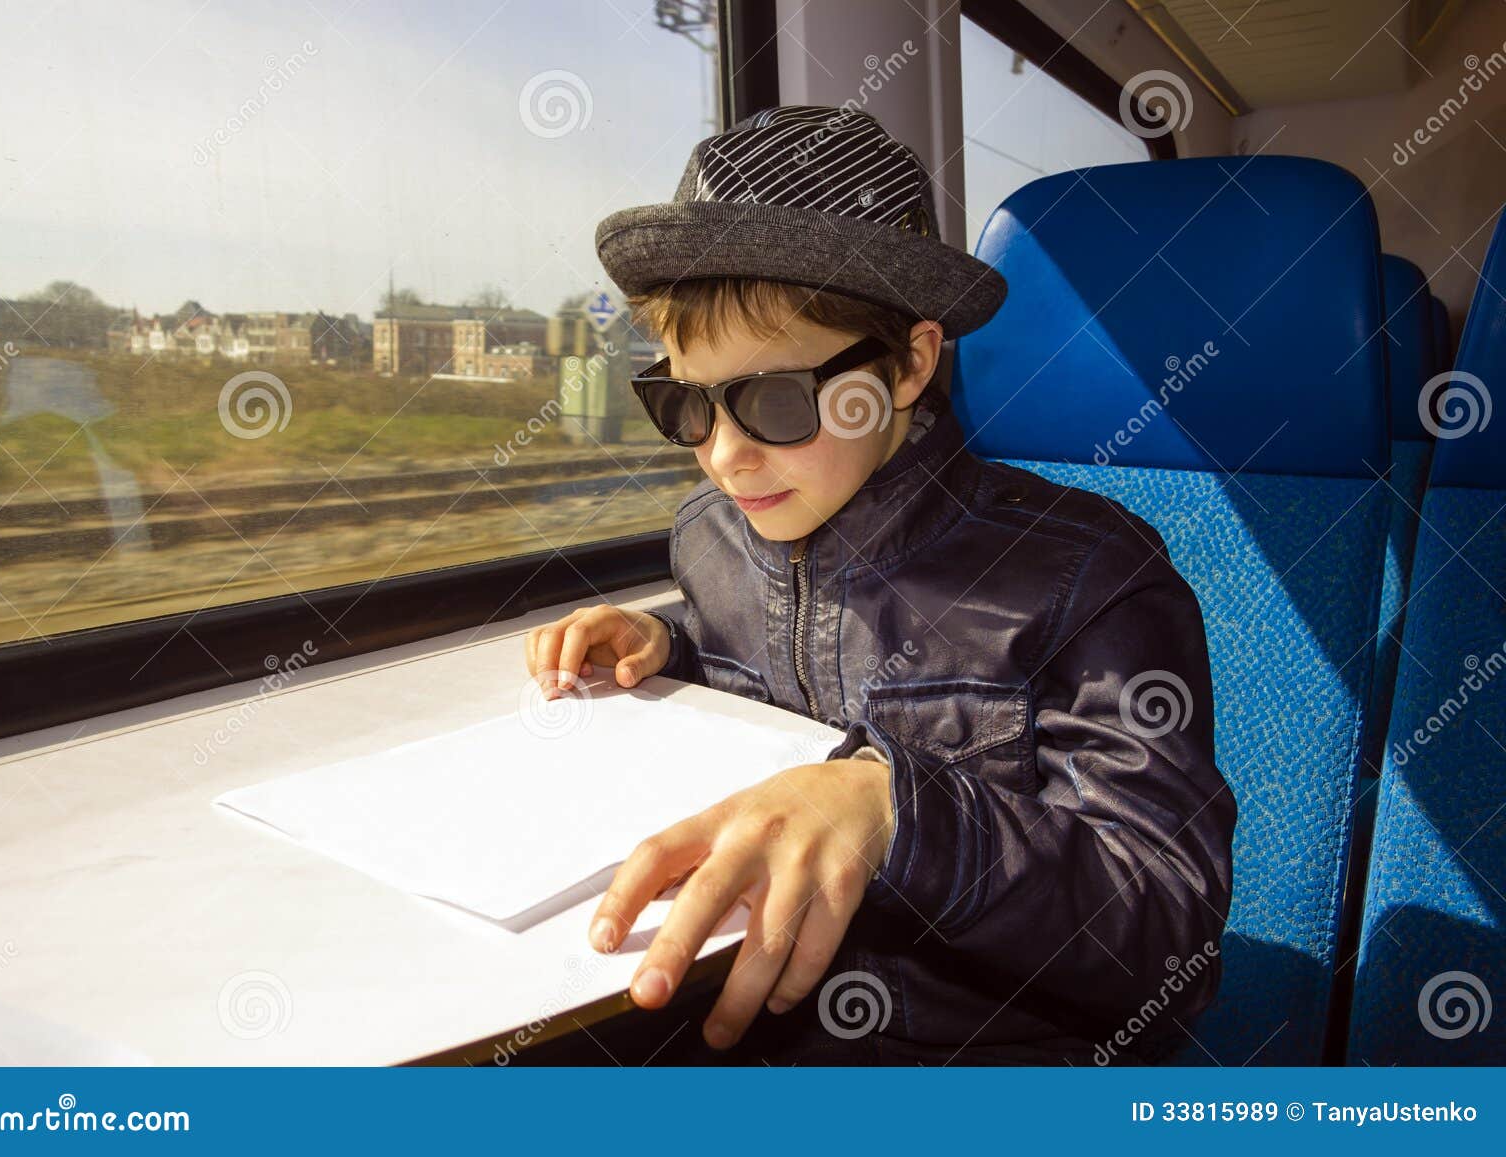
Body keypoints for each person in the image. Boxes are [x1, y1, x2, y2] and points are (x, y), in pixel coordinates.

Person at [523, 104, 1236, 1065]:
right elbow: (766, 662)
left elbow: (1165, 937)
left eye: (774, 400)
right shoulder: (710, 543)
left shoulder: (1088, 579)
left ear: (908, 363)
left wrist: (898, 811)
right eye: (685, 403)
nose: (725, 456)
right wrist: (667, 648)